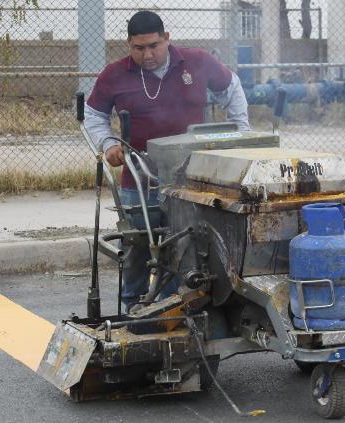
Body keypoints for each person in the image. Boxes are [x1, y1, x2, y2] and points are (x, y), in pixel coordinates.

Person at [83, 10, 250, 311]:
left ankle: (171, 308)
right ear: (129, 45)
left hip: (191, 179)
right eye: (139, 48)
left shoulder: (196, 62)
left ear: (167, 39)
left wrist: (240, 132)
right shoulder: (114, 74)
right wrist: (108, 144)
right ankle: (132, 307)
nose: (147, 54)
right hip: (138, 177)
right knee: (135, 245)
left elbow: (231, 88)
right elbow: (94, 116)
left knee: (183, 246)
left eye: (154, 46)